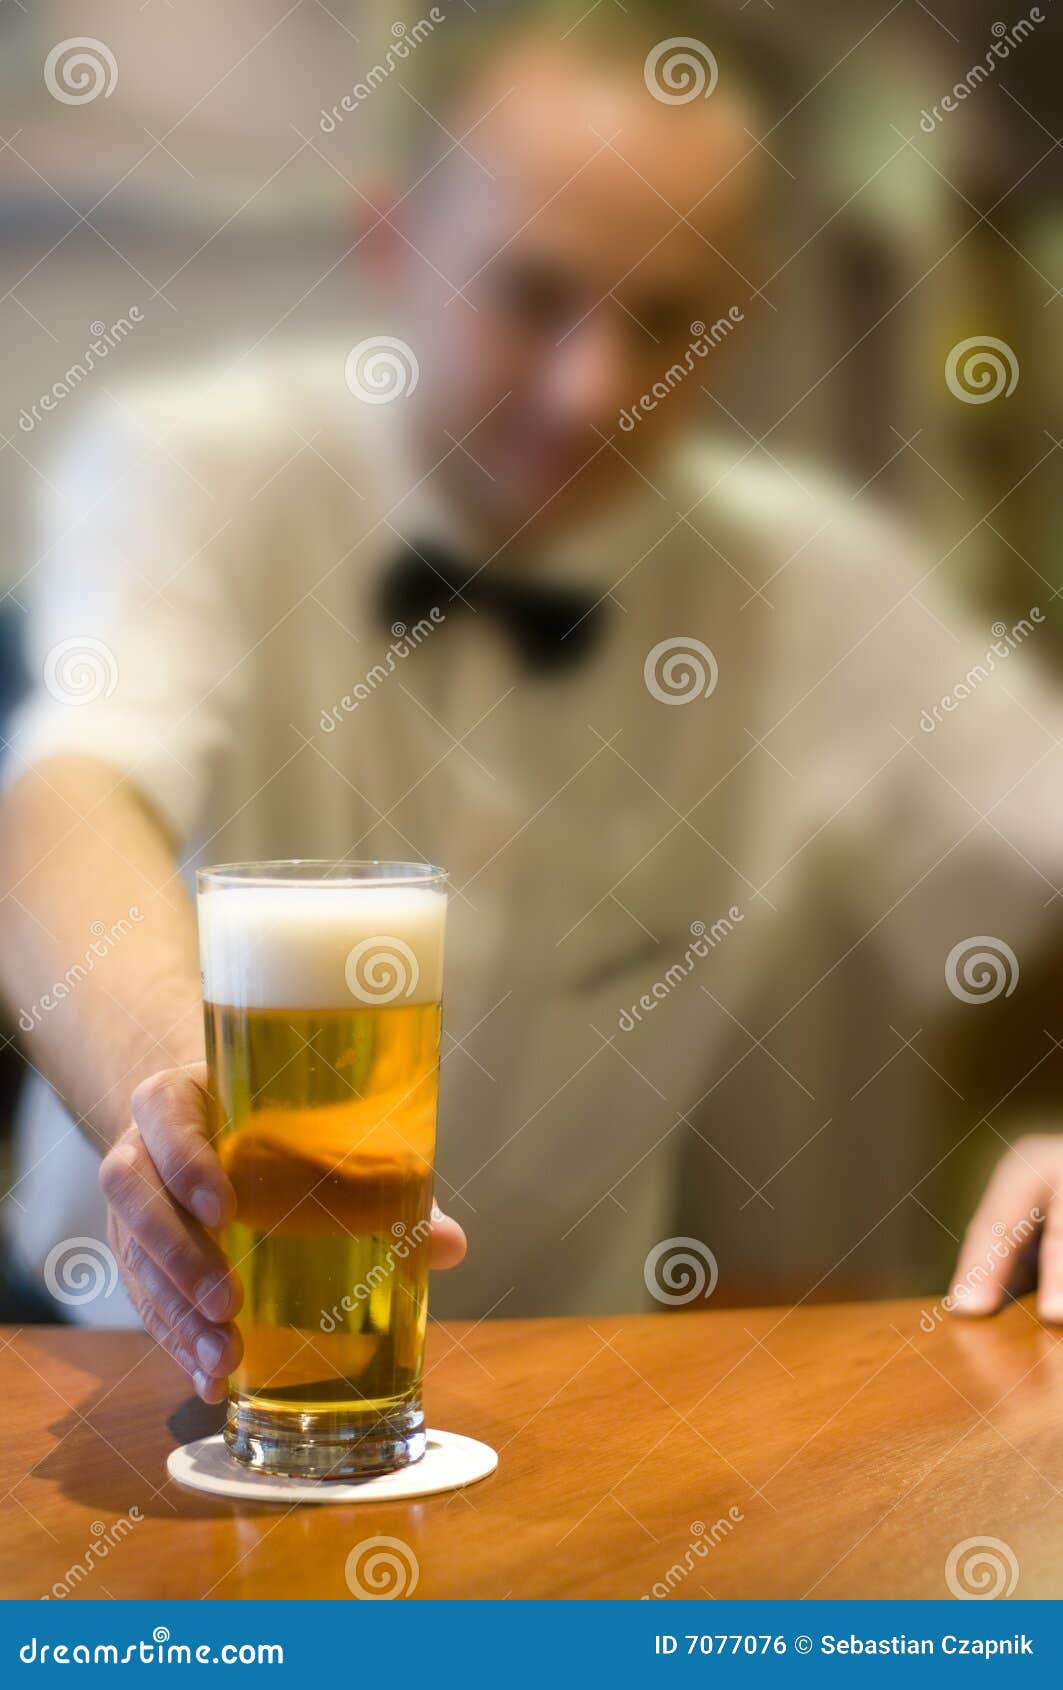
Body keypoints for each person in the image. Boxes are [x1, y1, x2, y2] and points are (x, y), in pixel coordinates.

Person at [2, 1, 1061, 1407]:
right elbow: (66, 800)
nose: (592, 390)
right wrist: (174, 1113)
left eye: (669, 319)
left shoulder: (817, 585)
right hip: (125, 1365)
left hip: (561, 1405)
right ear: (393, 244)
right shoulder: (195, 470)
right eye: (532, 295)